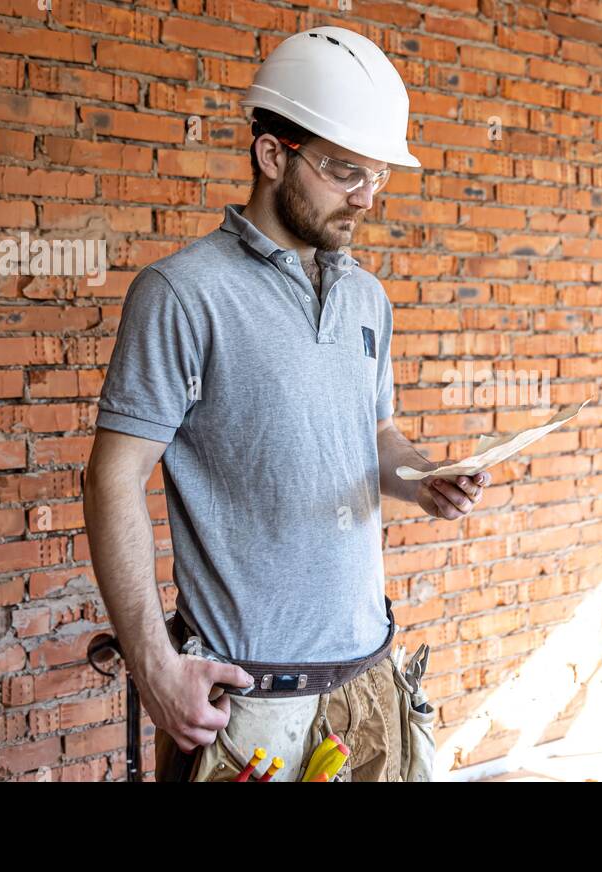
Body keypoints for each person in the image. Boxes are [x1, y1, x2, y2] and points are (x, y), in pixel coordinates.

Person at [82, 25, 488, 782]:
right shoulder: (182, 293)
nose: (366, 198)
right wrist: (154, 667)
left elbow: (376, 438)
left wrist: (421, 477)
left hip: (370, 687)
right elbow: (110, 478)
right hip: (251, 707)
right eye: (344, 173)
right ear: (273, 155)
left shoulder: (367, 296)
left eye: (378, 178)